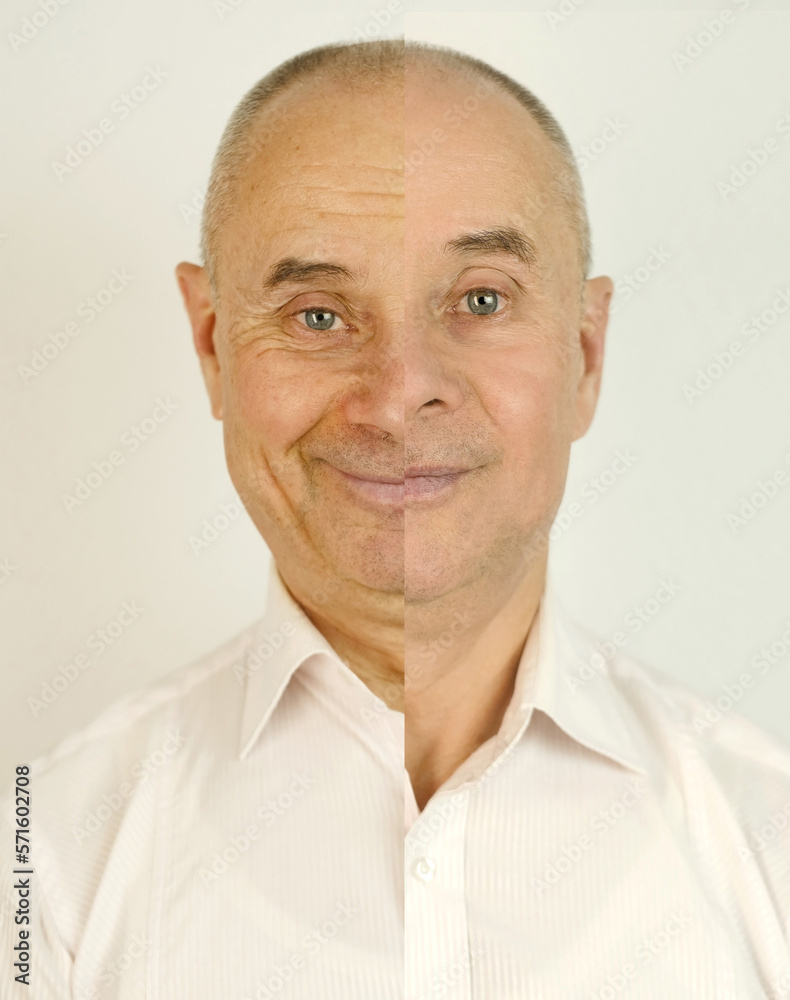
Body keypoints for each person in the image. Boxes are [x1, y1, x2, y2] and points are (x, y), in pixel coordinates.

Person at [2, 37, 790, 999]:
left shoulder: (769, 840)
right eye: (319, 316)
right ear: (213, 346)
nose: (397, 394)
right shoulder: (39, 867)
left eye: (480, 300)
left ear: (586, 354)